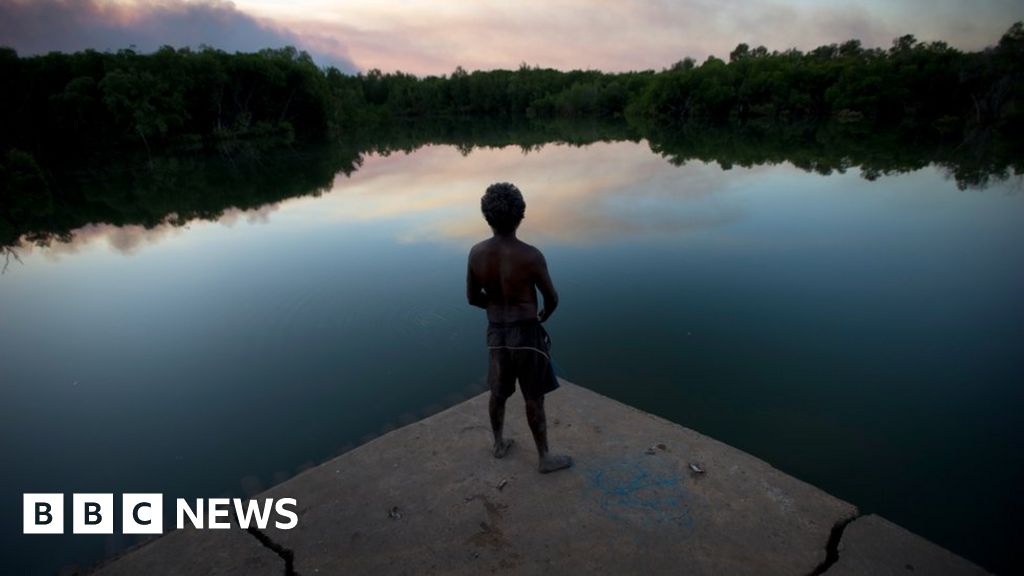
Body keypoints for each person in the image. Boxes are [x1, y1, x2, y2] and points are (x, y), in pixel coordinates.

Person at [466, 182, 573, 474]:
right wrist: (544, 314)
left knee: (497, 392)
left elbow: (473, 298)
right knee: (533, 397)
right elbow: (552, 298)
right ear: (521, 215)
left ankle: (499, 444)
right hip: (526, 334)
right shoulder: (530, 256)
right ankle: (544, 457)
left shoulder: (476, 254)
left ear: (486, 216)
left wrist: (496, 305)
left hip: (496, 333)